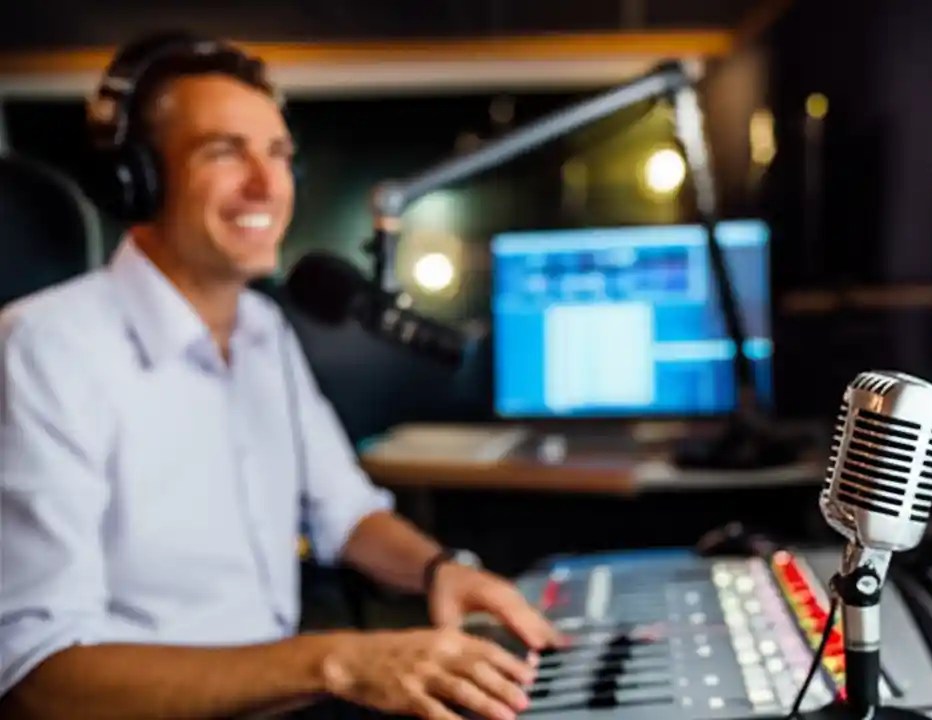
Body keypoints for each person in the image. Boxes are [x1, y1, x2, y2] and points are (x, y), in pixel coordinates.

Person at [0, 32, 561, 720]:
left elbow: (347, 514)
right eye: (224, 151)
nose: (268, 185)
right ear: (137, 179)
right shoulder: (45, 348)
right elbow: (41, 676)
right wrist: (338, 660)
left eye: (278, 154)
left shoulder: (265, 332)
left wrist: (441, 569)